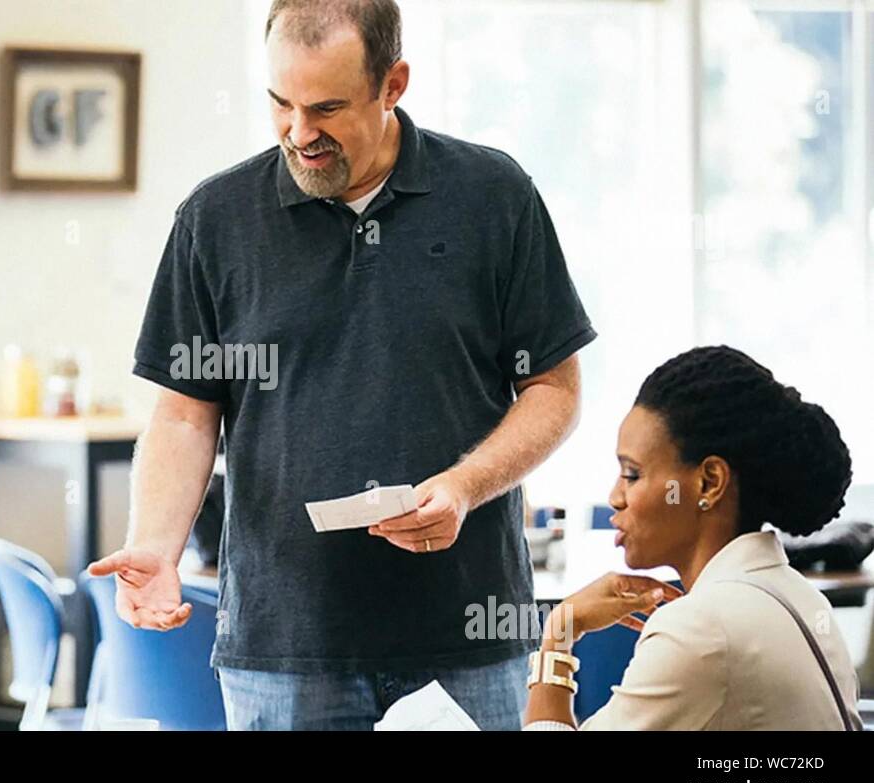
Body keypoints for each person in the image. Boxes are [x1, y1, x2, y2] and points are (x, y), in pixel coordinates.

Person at [88, 0, 596, 730]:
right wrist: (157, 545)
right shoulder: (216, 220)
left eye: (326, 108)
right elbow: (183, 414)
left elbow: (555, 390)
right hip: (284, 645)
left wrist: (463, 486)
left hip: (468, 636)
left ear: (394, 84)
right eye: (280, 104)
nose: (300, 133)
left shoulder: (494, 198)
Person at [524, 346, 862, 730]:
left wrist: (558, 634)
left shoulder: (701, 628)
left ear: (709, 482)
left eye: (632, 474)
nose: (615, 497)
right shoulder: (799, 595)